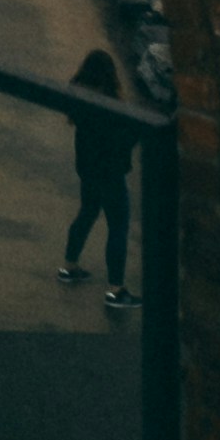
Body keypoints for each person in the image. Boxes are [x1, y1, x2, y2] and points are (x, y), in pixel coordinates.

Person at [58, 43, 141, 290]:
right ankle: (116, 289)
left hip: (88, 169)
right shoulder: (109, 103)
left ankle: (70, 265)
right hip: (111, 173)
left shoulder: (81, 99)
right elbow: (122, 139)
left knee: (87, 212)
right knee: (118, 226)